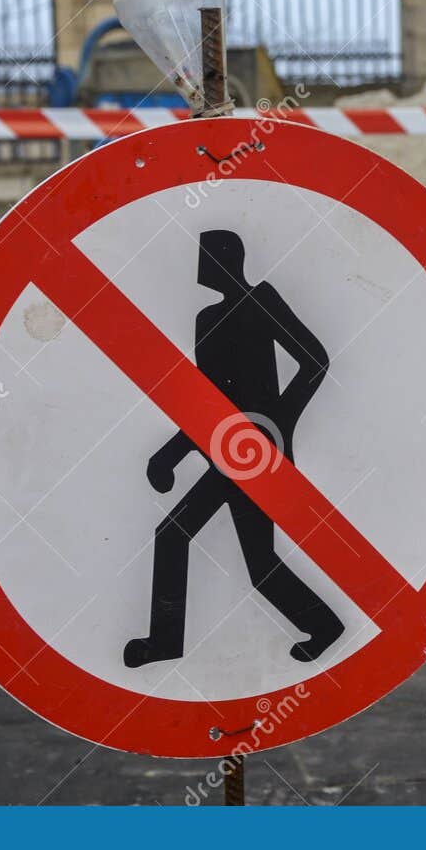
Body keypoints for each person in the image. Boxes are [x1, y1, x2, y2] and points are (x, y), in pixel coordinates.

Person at [124, 229, 345, 668]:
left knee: (213, 548)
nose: (201, 266)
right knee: (231, 553)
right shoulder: (205, 320)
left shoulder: (263, 300)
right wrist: (169, 455)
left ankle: (323, 626)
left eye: (208, 256)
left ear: (227, 259)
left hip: (260, 456)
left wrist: (280, 418)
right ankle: (320, 626)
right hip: (227, 454)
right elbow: (205, 403)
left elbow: (314, 359)